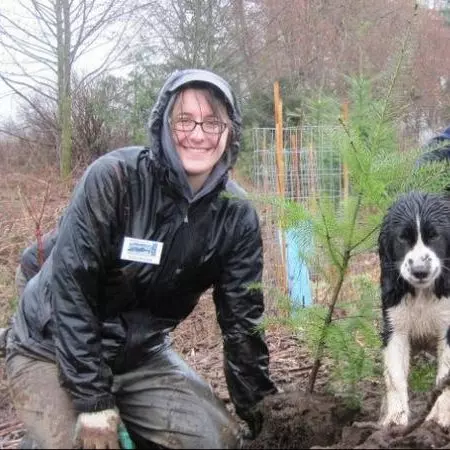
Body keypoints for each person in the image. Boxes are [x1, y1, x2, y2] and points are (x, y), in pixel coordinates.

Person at [5, 68, 278, 449]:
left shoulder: (236, 214)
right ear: (164, 124)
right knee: (81, 443)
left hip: (139, 356)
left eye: (212, 123)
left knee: (219, 442)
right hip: (51, 346)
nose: (198, 134)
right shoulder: (115, 178)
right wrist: (93, 400)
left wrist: (265, 416)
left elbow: (241, 321)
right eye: (185, 120)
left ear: (229, 132)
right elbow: (71, 290)